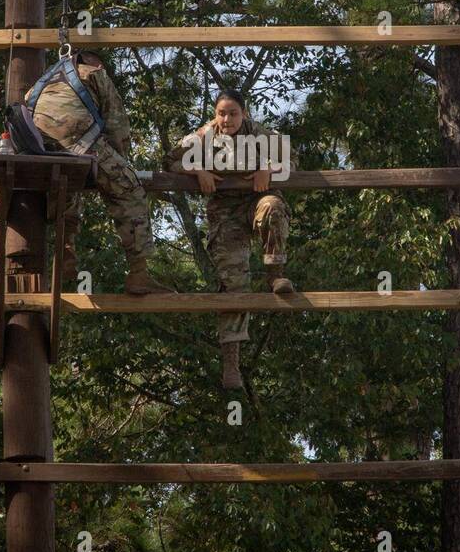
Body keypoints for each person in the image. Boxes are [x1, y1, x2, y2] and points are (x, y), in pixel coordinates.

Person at [166, 89, 294, 390]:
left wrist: (267, 168)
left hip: (257, 201)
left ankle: (276, 274)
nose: (227, 119)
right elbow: (169, 161)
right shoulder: (203, 136)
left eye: (233, 113)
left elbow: (291, 160)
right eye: (221, 113)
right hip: (224, 212)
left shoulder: (260, 134)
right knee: (232, 283)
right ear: (215, 114)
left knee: (273, 208)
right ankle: (231, 364)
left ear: (244, 114)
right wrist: (197, 170)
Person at [30, 51, 171, 295]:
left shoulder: (38, 85)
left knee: (67, 189)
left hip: (42, 151)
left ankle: (65, 254)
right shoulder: (95, 74)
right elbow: (117, 125)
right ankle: (139, 272)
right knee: (129, 189)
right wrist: (119, 164)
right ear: (95, 63)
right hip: (83, 142)